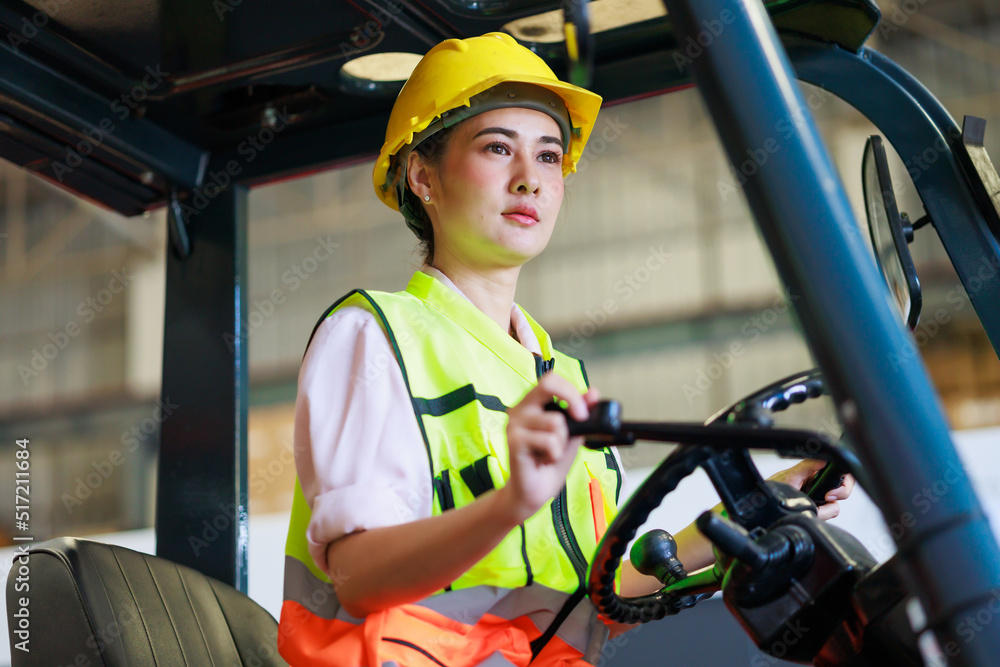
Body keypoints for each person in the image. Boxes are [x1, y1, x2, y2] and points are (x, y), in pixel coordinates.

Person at [277, 32, 854, 667]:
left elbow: (596, 597)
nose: (530, 180)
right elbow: (357, 578)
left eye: (549, 157)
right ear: (423, 176)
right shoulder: (375, 337)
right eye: (498, 148)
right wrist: (511, 504)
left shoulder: (557, 377)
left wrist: (747, 514)